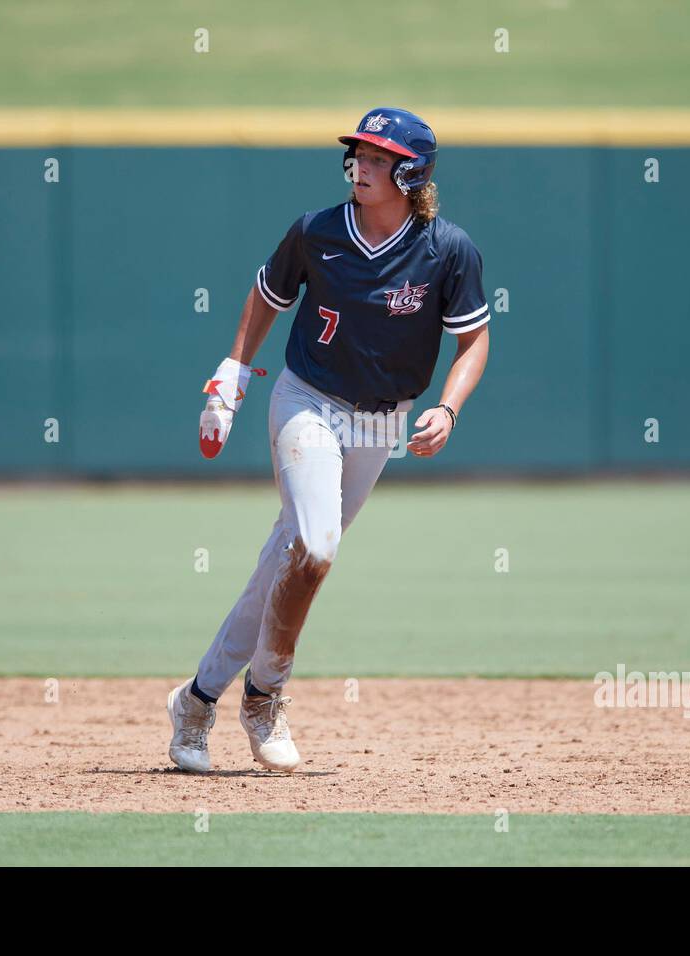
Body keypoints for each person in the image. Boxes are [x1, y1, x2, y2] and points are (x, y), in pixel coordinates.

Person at [168, 107, 491, 773]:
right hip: (307, 400)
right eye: (358, 154)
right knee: (316, 544)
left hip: (382, 420)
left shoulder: (447, 250)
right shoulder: (318, 231)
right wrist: (232, 374)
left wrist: (449, 409)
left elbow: (474, 339)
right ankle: (264, 697)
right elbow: (266, 296)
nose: (360, 165)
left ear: (412, 170)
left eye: (376, 157)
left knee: (287, 563)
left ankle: (197, 700)